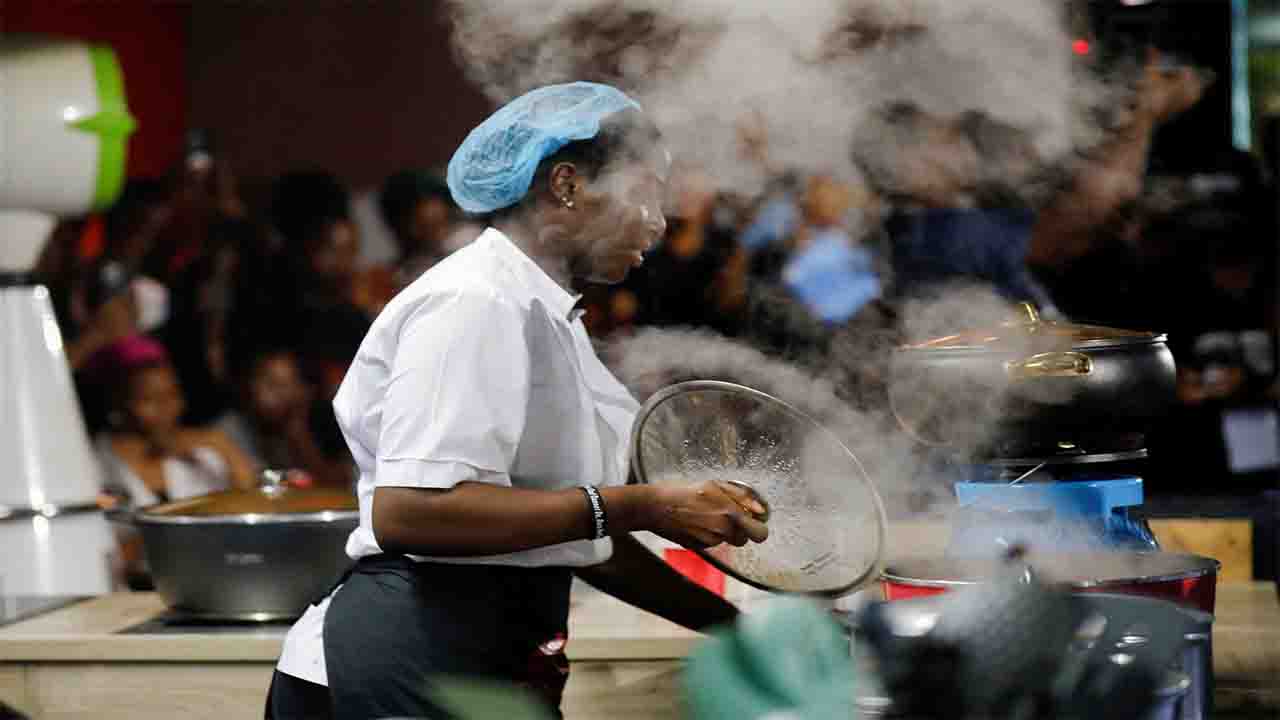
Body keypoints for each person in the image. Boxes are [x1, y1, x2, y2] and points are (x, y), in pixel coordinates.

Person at [266, 82, 770, 720]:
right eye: (646, 193)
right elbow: (410, 513)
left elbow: (581, 539)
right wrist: (643, 504)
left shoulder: (548, 316)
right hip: (401, 661)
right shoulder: (475, 302)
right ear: (567, 185)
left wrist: (739, 631)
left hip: (478, 663)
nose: (660, 222)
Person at [91, 334, 257, 587]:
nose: (167, 408)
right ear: (119, 404)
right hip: (123, 598)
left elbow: (252, 508)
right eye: (149, 399)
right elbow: (107, 549)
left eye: (172, 395)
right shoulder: (94, 465)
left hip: (206, 587)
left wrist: (221, 445)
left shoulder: (200, 456)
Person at [217, 344, 354, 489]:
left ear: (304, 390)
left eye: (286, 384)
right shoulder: (231, 427)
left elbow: (338, 484)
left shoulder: (325, 424)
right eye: (270, 382)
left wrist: (298, 432)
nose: (278, 394)